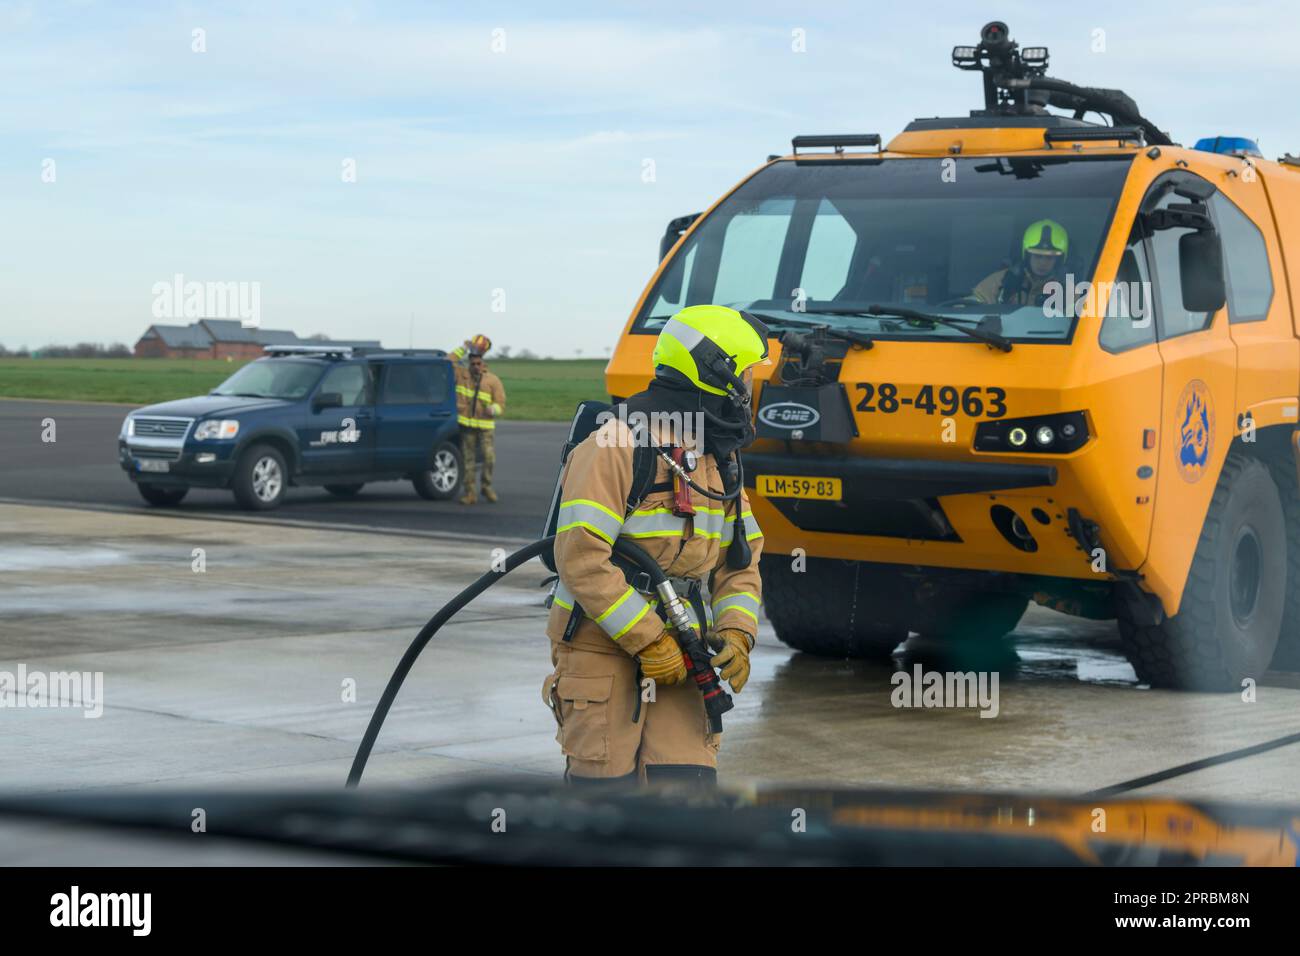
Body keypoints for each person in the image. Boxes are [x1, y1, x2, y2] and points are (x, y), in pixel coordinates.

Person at [541, 304, 768, 788]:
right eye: (745, 374)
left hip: (687, 652)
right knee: (603, 806)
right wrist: (648, 638)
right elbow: (581, 557)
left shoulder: (719, 458)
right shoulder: (615, 445)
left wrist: (737, 634)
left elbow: (741, 564)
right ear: (715, 373)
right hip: (600, 648)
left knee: (684, 798)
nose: (748, 388)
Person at [448, 334, 506, 504]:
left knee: (489, 458)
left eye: (478, 363)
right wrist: (463, 348)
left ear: (483, 364)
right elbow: (448, 361)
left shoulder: (492, 381)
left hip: (485, 427)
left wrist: (493, 409)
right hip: (467, 427)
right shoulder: (461, 375)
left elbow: (501, 404)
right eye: (472, 363)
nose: (475, 366)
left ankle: (486, 486)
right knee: (468, 461)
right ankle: (470, 493)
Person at [972, 218, 1069, 306]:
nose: (1043, 262)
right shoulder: (1004, 280)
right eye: (1037, 256)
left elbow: (1080, 317)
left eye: (1049, 258)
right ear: (1027, 255)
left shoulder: (1068, 291)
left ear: (1059, 260)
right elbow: (970, 306)